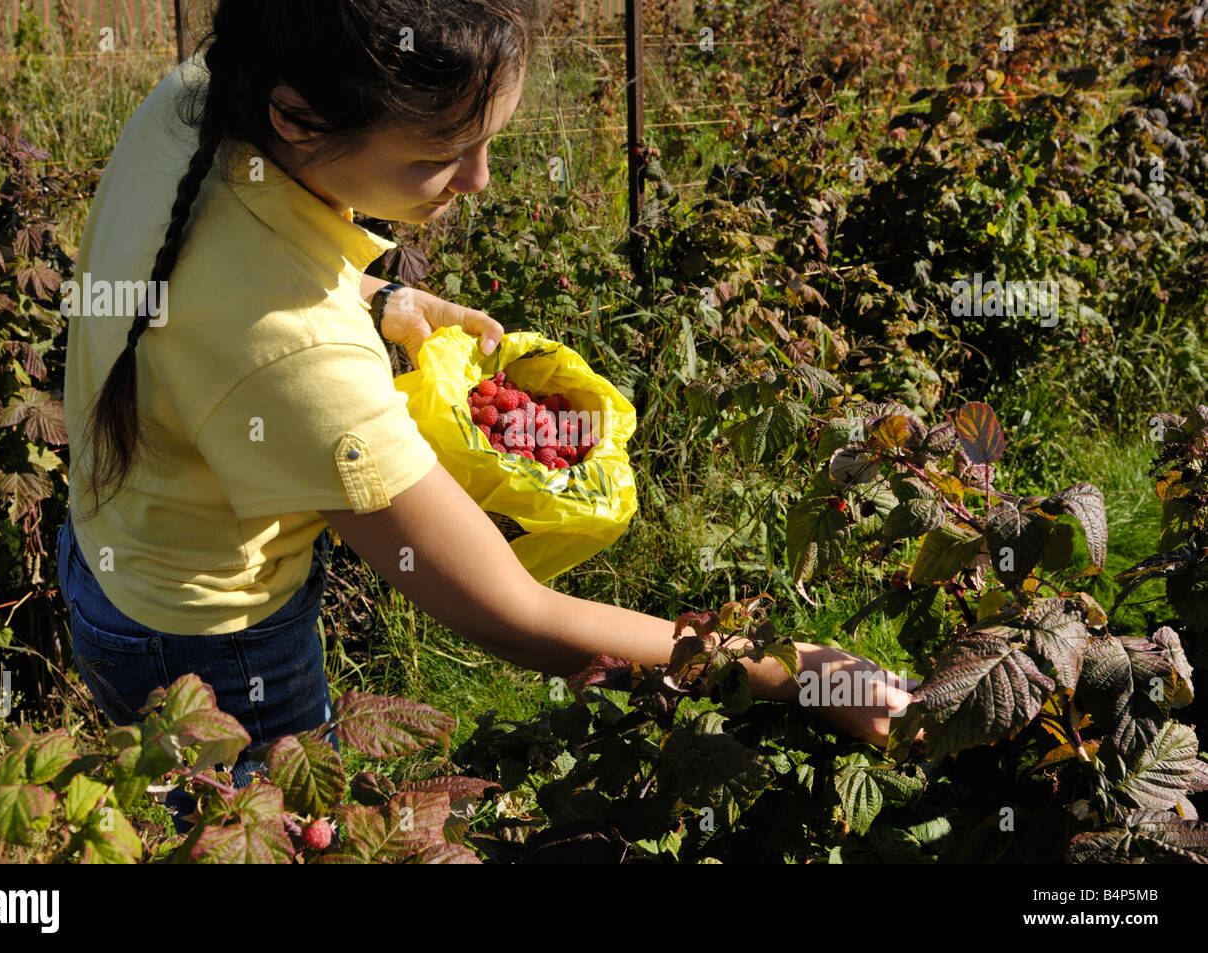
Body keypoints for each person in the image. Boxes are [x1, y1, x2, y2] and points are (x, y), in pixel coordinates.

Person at [57, 0, 914, 829]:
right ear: (297, 116)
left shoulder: (202, 93)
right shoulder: (301, 363)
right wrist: (792, 673)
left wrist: (378, 295)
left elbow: (230, 271)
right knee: (266, 831)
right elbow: (515, 613)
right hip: (216, 649)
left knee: (181, 814)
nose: (479, 179)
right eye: (441, 154)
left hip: (109, 549)